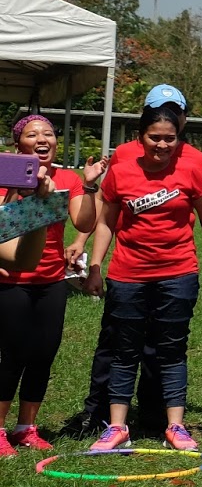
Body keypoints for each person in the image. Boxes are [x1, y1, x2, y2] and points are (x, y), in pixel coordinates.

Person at [63, 84, 202, 437]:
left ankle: (156, 414)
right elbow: (108, 212)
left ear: (183, 117)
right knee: (117, 343)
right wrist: (83, 244)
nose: (161, 141)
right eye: (159, 112)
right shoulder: (126, 155)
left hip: (173, 264)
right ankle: (99, 413)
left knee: (161, 347)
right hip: (130, 267)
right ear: (143, 125)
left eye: (175, 110)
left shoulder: (195, 160)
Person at [0, 115, 103, 455]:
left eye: (48, 133)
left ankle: (26, 427)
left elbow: (84, 221)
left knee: (43, 353)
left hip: (51, 279)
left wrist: (88, 186)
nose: (42, 138)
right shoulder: (3, 177)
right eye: (32, 134)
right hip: (9, 280)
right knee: (11, 355)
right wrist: (20, 191)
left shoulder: (67, 179)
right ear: (19, 144)